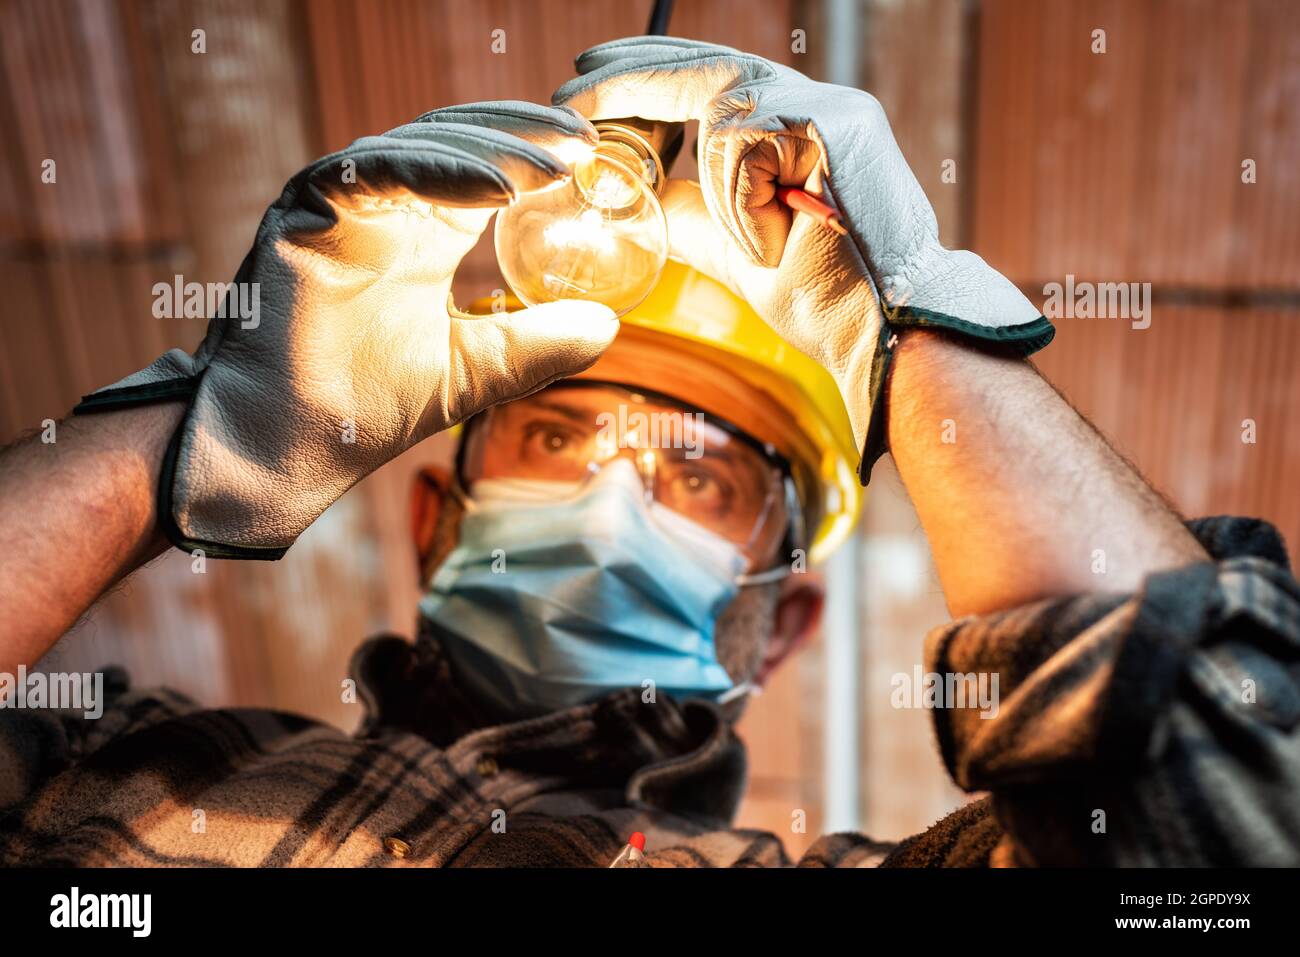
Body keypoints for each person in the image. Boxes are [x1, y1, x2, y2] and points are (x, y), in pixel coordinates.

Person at [1, 39, 1296, 867]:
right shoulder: (105, 779)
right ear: (435, 523)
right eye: (559, 431)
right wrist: (203, 438)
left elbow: (1233, 822)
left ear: (780, 624)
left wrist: (918, 317)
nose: (613, 490)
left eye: (699, 474)